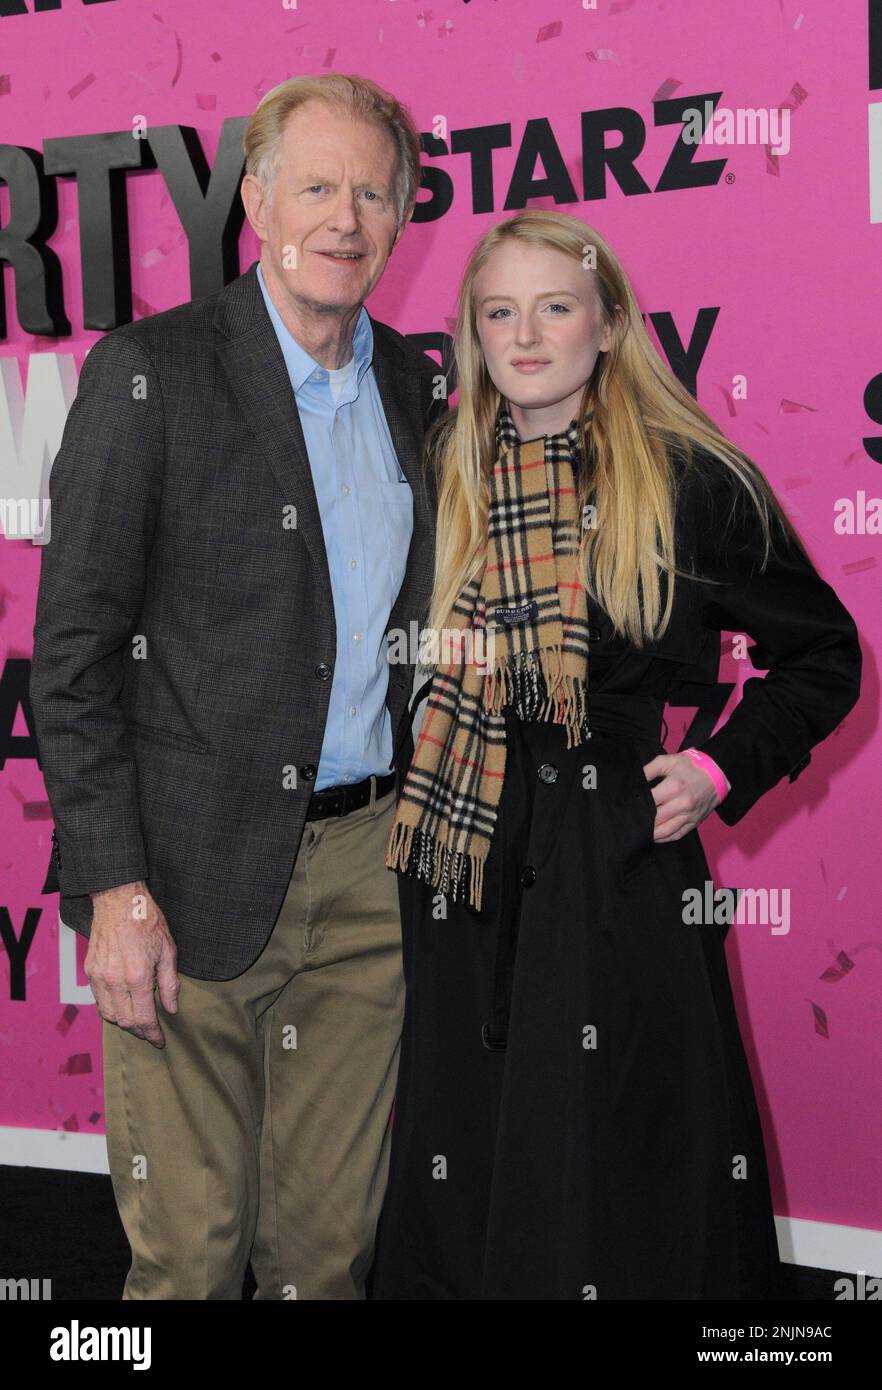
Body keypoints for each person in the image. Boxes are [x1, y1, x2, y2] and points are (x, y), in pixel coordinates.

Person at [370, 209, 862, 1300]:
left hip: (614, 855)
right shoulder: (442, 471)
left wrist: (718, 767)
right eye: (500, 311)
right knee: (468, 1138)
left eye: (556, 306)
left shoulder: (689, 478)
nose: (527, 336)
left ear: (610, 322)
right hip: (460, 850)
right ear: (472, 333)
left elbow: (827, 656)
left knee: (615, 1149)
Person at [30, 73, 445, 1299]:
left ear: (403, 216)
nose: (345, 216)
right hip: (183, 879)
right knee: (191, 1264)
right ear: (254, 199)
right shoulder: (152, 371)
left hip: (371, 882)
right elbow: (74, 656)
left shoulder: (417, 388)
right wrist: (114, 886)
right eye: (315, 183)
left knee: (327, 1257)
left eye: (373, 191)